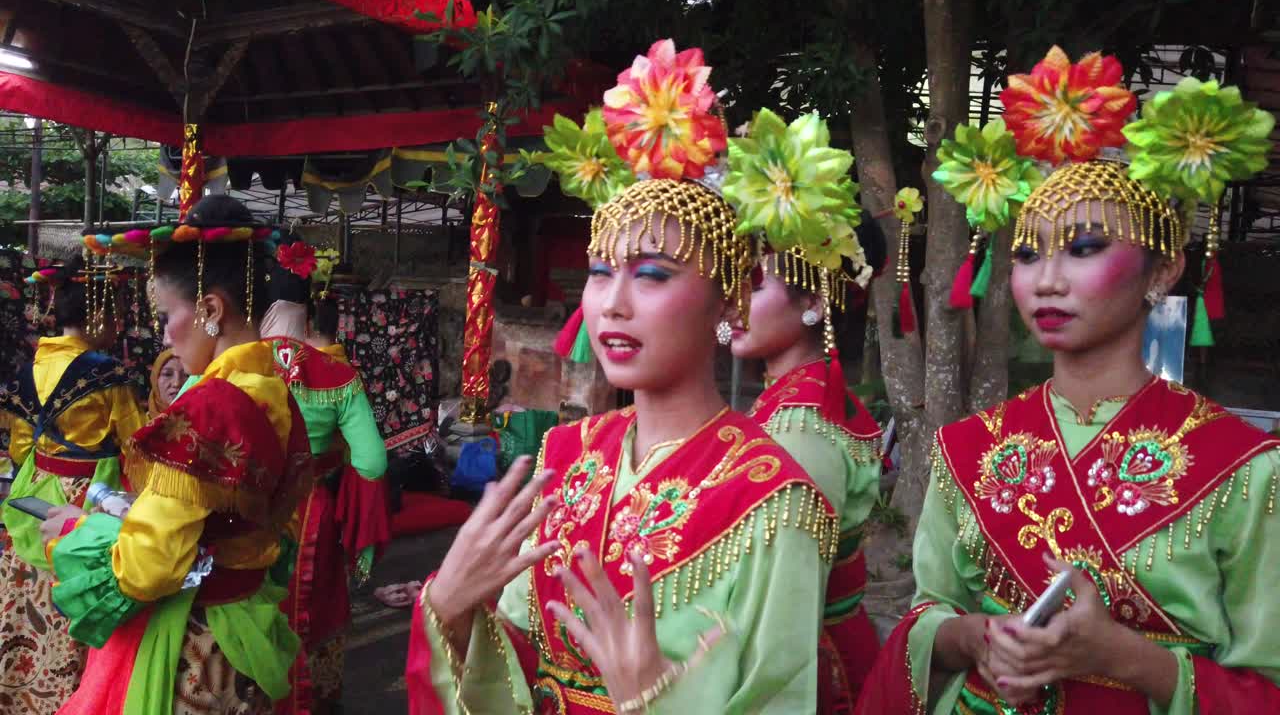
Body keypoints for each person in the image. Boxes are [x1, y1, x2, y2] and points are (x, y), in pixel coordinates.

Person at [405, 40, 861, 714]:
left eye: (652, 274)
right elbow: (517, 658)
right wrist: (451, 606)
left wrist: (653, 700)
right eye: (599, 272)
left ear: (730, 302)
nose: (613, 302)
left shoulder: (772, 501)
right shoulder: (568, 456)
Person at [857, 48, 1280, 714]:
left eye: (1084, 249)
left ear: (1163, 272)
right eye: (1026, 254)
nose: (1047, 279)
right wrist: (973, 638)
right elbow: (928, 616)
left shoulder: (1245, 471)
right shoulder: (967, 449)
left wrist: (1122, 658)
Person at [40, 195, 312, 714]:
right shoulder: (270, 390)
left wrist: (81, 531)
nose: (163, 333)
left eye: (167, 315)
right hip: (242, 630)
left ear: (210, 309)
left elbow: (146, 568)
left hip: (193, 648)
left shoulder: (212, 407)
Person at [729, 235, 884, 710]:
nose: (731, 301)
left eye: (753, 284)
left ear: (815, 302)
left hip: (806, 673)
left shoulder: (800, 425)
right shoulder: (799, 403)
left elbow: (785, 606)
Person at [0, 257, 146, 715]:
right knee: (76, 591)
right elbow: (135, 444)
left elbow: (21, 446)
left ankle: (18, 688)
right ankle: (69, 694)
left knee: (23, 592)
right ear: (99, 313)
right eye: (116, 310)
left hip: (33, 491)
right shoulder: (105, 372)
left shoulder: (29, 368)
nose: (119, 322)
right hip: (86, 499)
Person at [263, 247, 390, 715]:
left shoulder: (231, 364)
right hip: (307, 509)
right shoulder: (336, 374)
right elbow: (373, 463)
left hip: (243, 508)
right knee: (307, 614)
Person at [147, 349, 186, 419]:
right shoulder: (134, 424)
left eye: (186, 375)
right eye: (167, 374)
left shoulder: (205, 422)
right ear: (155, 379)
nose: (176, 383)